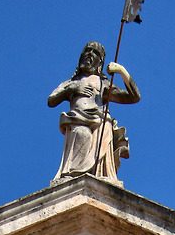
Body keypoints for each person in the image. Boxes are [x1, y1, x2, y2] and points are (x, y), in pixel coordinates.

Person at [47, 41, 140, 185]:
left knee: (105, 130)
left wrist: (121, 71)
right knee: (81, 134)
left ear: (100, 63)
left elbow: (134, 97)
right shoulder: (71, 82)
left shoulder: (102, 83)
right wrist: (72, 89)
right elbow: (51, 100)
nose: (89, 54)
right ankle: (73, 179)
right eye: (87, 51)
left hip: (100, 122)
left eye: (95, 53)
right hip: (77, 120)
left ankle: (100, 176)